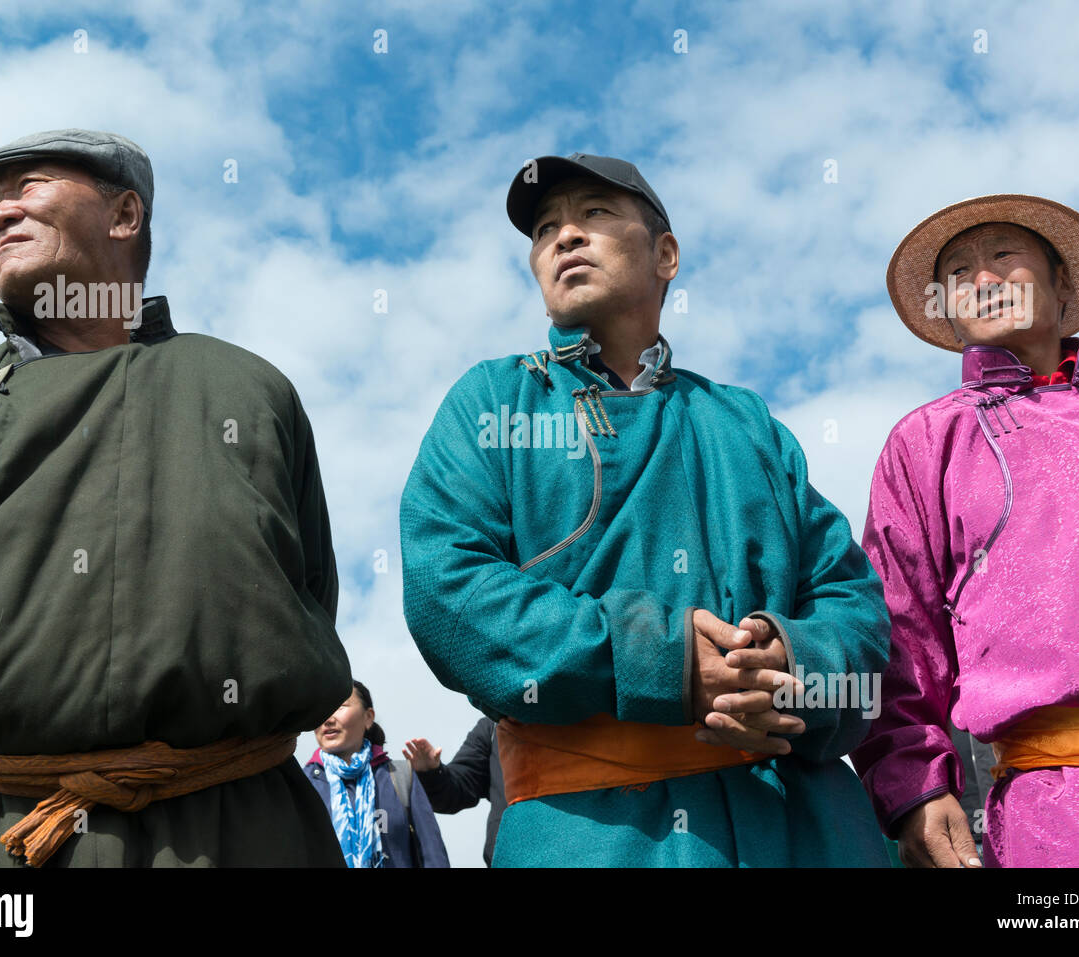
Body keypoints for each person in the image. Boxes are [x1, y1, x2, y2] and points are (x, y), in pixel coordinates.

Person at [399, 152, 891, 866]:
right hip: (590, 836)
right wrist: (661, 659)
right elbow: (447, 593)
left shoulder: (744, 420)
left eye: (593, 214)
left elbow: (857, 606)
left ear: (666, 254)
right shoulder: (491, 403)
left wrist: (790, 667)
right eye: (544, 229)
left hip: (804, 829)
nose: (564, 237)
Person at [0, 129, 352, 866]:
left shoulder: (246, 389)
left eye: (28, 188)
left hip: (227, 827)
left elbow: (307, 594)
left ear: (125, 215)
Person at [852, 194, 1079, 867]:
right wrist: (913, 786)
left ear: (1061, 283)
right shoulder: (926, 440)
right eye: (961, 271)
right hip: (1070, 804)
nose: (984, 278)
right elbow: (898, 636)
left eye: (1004, 254)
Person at [305, 681, 449, 868]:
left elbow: (433, 855)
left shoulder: (400, 776)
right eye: (321, 709)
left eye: (340, 706)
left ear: (368, 717)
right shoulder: (304, 785)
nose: (328, 718)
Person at [403, 715, 504, 866]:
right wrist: (431, 773)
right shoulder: (494, 726)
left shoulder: (553, 719)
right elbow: (459, 788)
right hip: (507, 857)